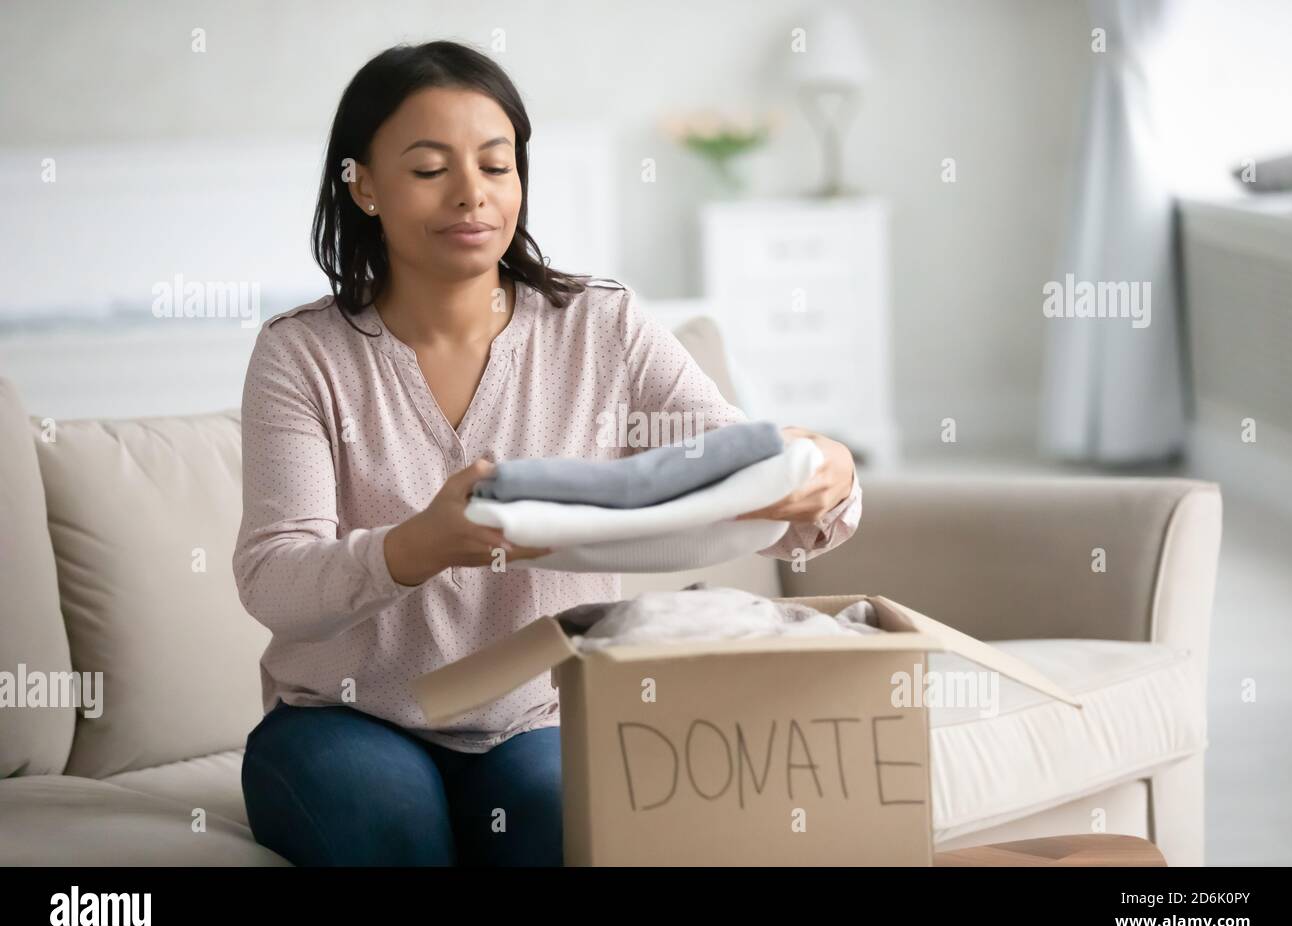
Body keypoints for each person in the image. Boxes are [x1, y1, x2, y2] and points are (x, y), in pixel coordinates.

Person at [234, 39, 863, 866]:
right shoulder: (301, 355)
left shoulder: (602, 326)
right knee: (388, 822)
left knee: (566, 815)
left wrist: (830, 476)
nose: (472, 195)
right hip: (344, 722)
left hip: (532, 719)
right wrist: (413, 548)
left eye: (496, 166)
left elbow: (727, 471)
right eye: (430, 170)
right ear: (364, 186)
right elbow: (274, 578)